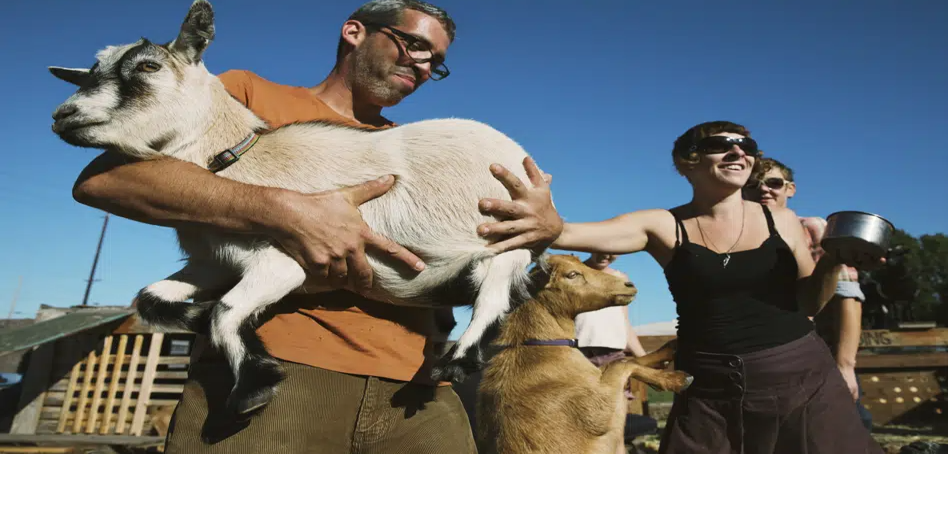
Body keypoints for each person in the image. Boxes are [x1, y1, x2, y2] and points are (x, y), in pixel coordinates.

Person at [71, 0, 563, 454]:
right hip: (287, 380)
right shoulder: (242, 97)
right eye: (414, 45)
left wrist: (546, 226)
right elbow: (107, 181)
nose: (424, 66)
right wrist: (286, 210)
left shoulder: (421, 151)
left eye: (436, 61)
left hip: (423, 389)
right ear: (354, 32)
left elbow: (492, 240)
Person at [480, 121, 884, 454]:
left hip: (799, 378)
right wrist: (549, 222)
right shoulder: (663, 224)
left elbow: (809, 302)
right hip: (710, 389)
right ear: (686, 162)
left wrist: (832, 260)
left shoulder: (784, 221)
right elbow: (569, 232)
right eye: (721, 144)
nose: (738, 152)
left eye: (747, 146)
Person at [745, 158, 874, 432]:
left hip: (817, 350)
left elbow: (847, 298)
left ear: (790, 189)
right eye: (753, 184)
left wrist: (845, 365)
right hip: (763, 355)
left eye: (774, 183)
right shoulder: (734, 234)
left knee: (844, 424)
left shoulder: (812, 228)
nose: (764, 190)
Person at [574, 253, 659, 447]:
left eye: (611, 251)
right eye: (599, 249)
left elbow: (624, 324)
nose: (605, 255)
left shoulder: (621, 279)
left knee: (615, 420)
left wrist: (646, 359)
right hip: (579, 355)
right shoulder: (577, 272)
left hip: (614, 358)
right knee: (581, 416)